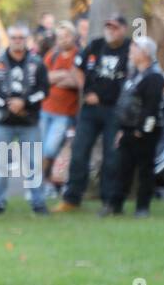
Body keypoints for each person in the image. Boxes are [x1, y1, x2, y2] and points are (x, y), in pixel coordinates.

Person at [55, 14, 130, 213]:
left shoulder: (130, 49)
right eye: (108, 27)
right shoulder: (96, 45)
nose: (111, 31)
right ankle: (72, 198)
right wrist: (86, 91)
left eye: (115, 28)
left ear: (123, 29)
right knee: (79, 151)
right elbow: (77, 69)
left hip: (115, 110)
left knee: (111, 156)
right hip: (90, 110)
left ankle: (109, 201)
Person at [0, 23, 49, 215]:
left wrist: (24, 103)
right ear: (8, 40)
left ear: (26, 40)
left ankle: (38, 203)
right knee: (0, 164)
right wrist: (7, 104)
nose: (18, 41)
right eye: (14, 38)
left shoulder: (37, 62)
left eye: (21, 38)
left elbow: (44, 90)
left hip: (29, 121)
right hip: (3, 121)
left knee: (34, 163)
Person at [109, 36, 164, 217]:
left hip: (145, 132)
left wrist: (142, 131)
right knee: (123, 168)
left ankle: (142, 207)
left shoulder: (154, 77)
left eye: (134, 49)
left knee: (144, 169)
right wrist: (121, 129)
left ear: (145, 53)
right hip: (127, 129)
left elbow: (152, 108)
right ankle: (115, 205)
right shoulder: (133, 74)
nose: (130, 52)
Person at [40, 20, 80, 191]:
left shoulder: (78, 55)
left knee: (51, 148)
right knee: (43, 148)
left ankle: (50, 180)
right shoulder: (52, 55)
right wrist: (63, 74)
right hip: (46, 109)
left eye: (66, 36)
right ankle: (45, 182)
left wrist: (57, 77)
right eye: (60, 37)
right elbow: (44, 78)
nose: (63, 40)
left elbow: (77, 81)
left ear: (73, 37)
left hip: (65, 112)